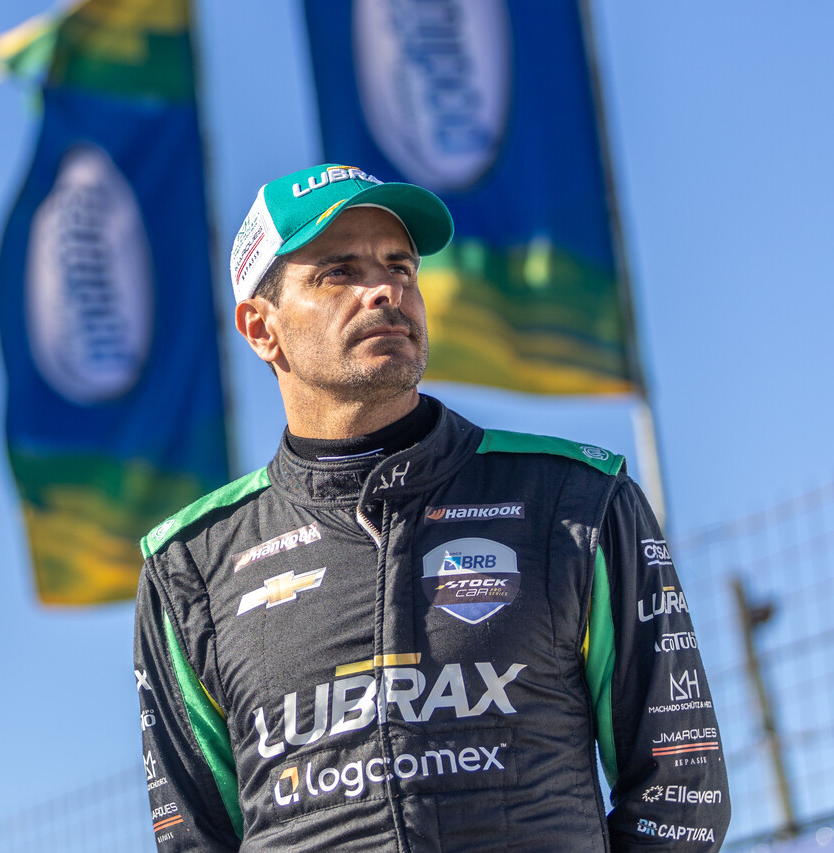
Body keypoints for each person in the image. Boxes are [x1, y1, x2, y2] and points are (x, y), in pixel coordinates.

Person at [134, 164, 730, 851]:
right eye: (338, 272)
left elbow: (682, 791)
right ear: (260, 328)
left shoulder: (578, 500)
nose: (385, 290)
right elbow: (194, 838)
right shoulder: (191, 567)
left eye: (400, 267)